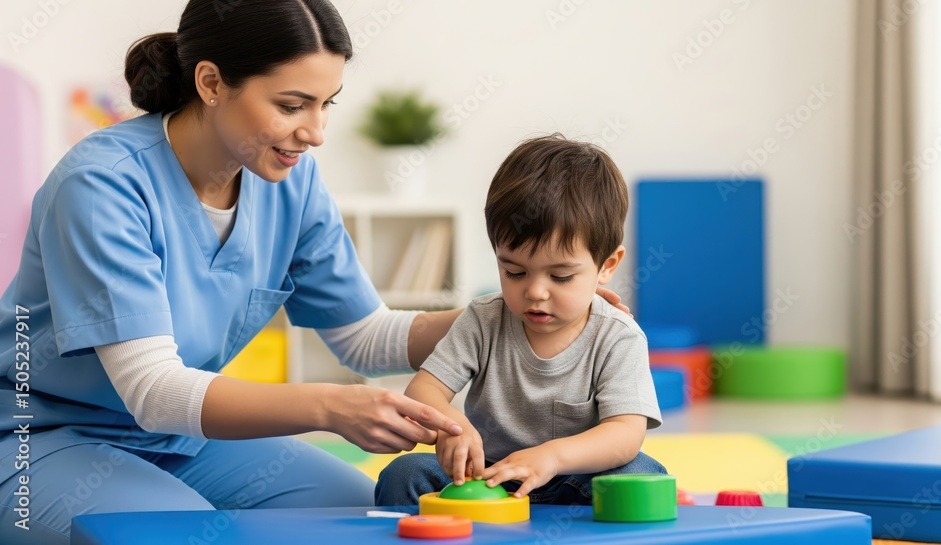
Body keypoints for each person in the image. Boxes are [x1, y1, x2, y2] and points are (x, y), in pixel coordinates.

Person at [0, 3, 631, 542]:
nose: (316, 132)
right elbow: (154, 390)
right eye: (292, 104)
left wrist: (508, 315)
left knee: (361, 514)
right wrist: (330, 406)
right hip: (42, 438)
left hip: (177, 441)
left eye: (327, 104)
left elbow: (364, 335)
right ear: (212, 81)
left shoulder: (287, 183)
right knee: (185, 535)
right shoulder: (104, 184)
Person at [374, 135, 666, 507]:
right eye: (514, 271)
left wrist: (553, 457)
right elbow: (423, 391)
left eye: (560, 277)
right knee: (404, 474)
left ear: (606, 266)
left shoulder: (618, 336)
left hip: (574, 477)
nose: (535, 292)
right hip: (486, 477)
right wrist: (453, 426)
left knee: (642, 476)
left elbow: (625, 434)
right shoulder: (483, 319)